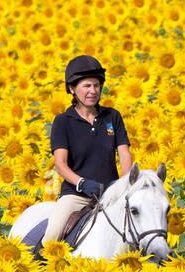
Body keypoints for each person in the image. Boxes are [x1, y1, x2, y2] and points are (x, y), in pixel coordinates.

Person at [35, 55, 133, 255]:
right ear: (72, 88)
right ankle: (42, 271)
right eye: (87, 86)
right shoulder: (63, 121)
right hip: (77, 195)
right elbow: (60, 164)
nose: (93, 91)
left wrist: (127, 183)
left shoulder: (112, 117)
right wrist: (81, 183)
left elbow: (124, 154)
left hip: (110, 194)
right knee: (52, 236)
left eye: (96, 86)